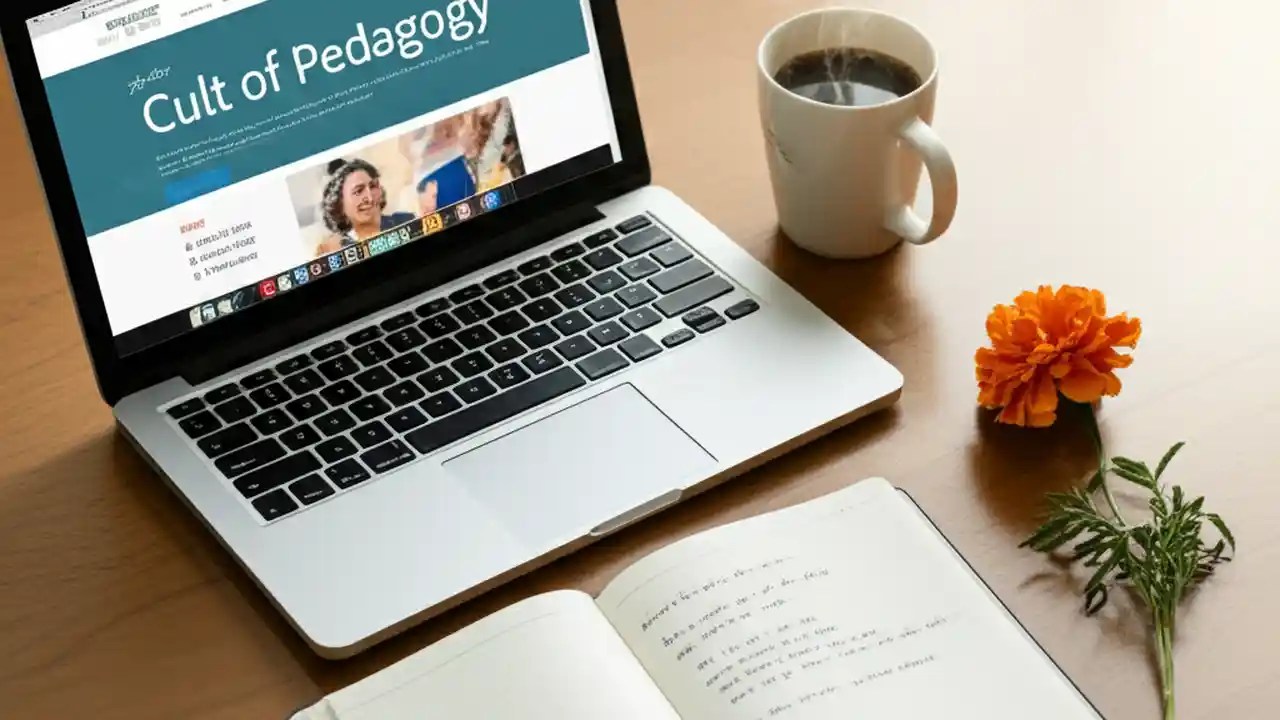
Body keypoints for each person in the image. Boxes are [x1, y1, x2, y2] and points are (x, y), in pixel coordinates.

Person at [314, 159, 415, 256]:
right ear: (339, 204)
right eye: (358, 191)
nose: (370, 198)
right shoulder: (335, 249)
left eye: (373, 186)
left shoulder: (405, 221)